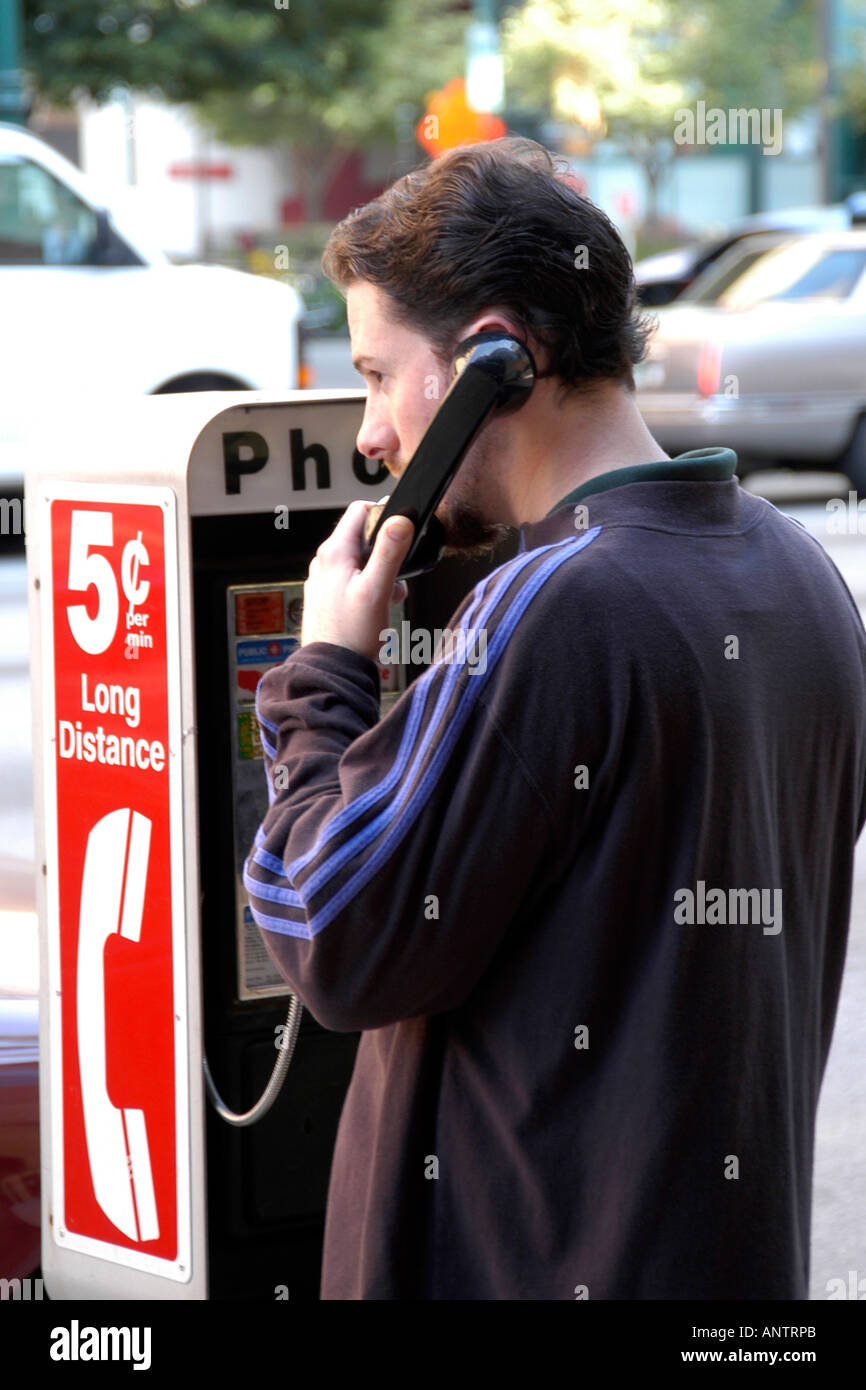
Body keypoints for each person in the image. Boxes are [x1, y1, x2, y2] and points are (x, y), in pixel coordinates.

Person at [244, 137, 866, 1299]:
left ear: (497, 358)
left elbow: (326, 925)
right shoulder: (802, 579)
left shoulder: (552, 607)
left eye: (380, 376)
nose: (372, 436)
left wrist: (324, 669)